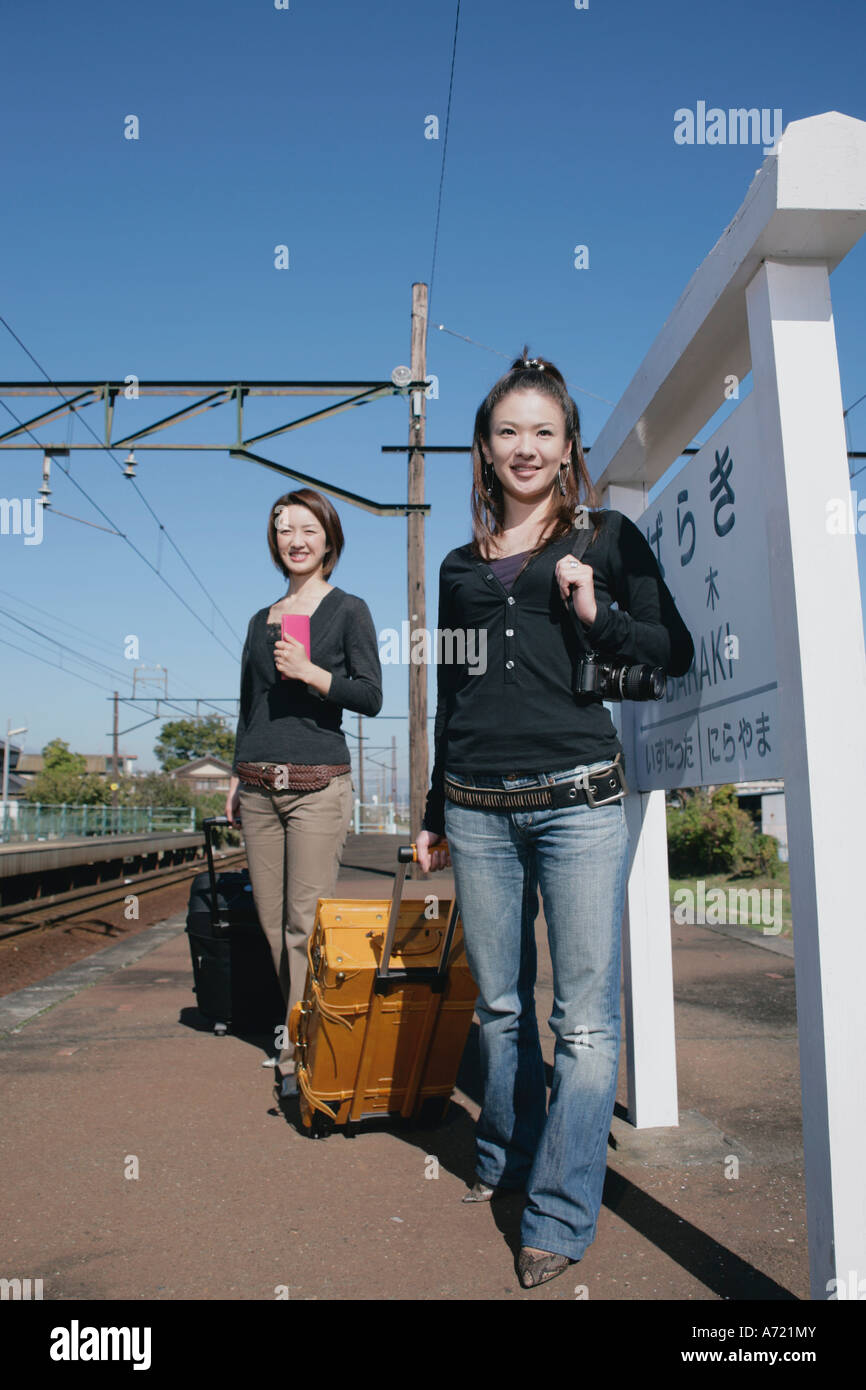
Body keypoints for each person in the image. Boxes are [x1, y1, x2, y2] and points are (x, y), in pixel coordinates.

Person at [416, 349, 694, 1289]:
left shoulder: (607, 539)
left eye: (544, 431)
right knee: (499, 1011)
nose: (525, 447)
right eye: (508, 432)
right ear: (485, 452)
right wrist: (432, 807)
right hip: (479, 810)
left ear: (568, 446)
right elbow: (450, 691)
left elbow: (673, 649)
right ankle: (508, 1150)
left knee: (583, 1026)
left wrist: (594, 610)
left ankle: (560, 1210)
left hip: (579, 803)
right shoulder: (457, 568)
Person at [226, 487, 382, 1103]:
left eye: (307, 528)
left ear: (328, 539)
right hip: (260, 787)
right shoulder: (259, 618)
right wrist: (238, 775)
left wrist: (316, 674)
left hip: (318, 785)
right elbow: (249, 706)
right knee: (271, 924)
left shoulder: (349, 610)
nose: (295, 538)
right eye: (284, 529)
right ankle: (299, 1021)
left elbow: (370, 695)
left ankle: (299, 1044)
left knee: (303, 922)